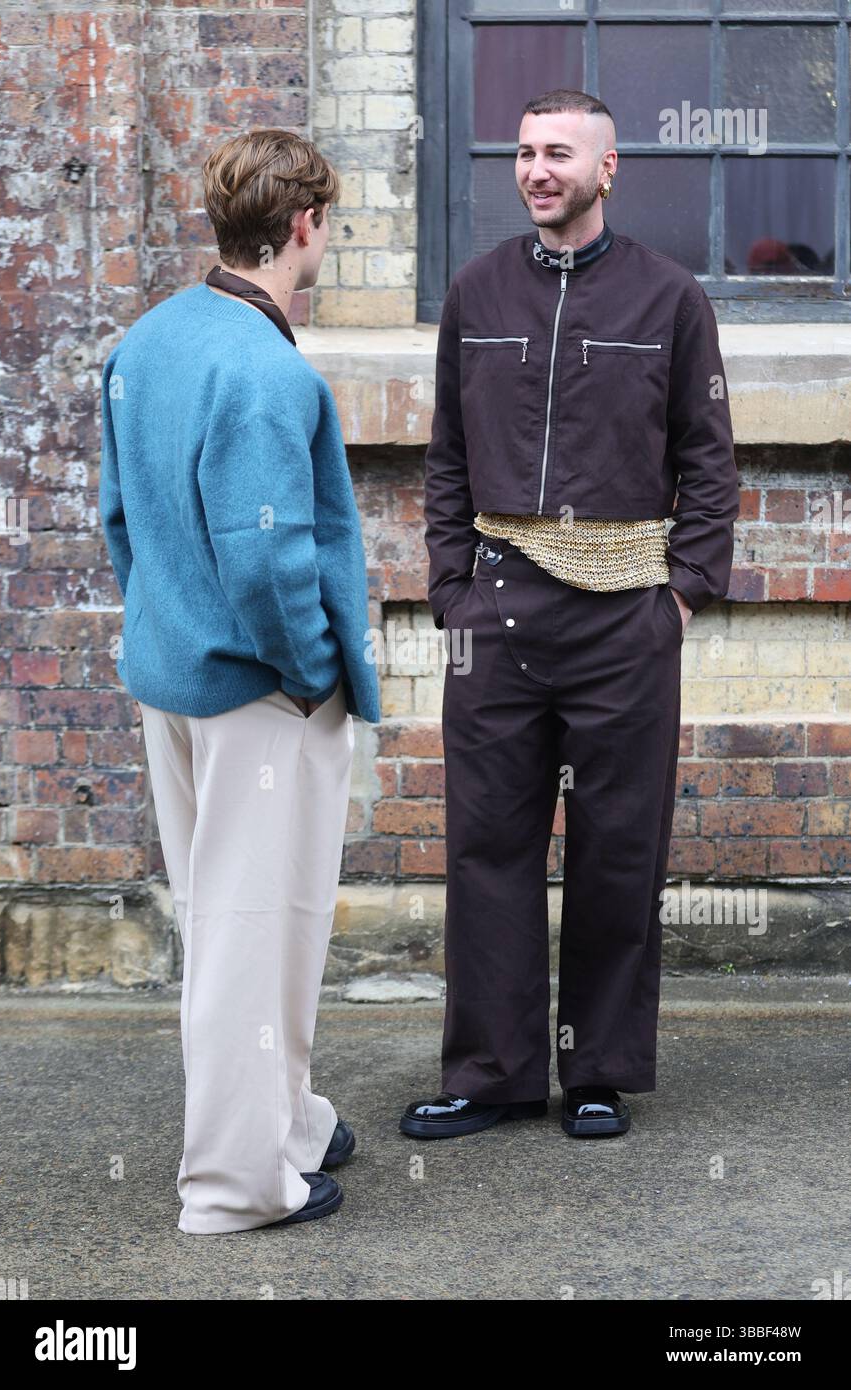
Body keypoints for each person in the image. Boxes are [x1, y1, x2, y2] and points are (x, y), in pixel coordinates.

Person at [401, 89, 739, 1142]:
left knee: (615, 847)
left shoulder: (668, 298)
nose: (535, 169)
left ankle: (594, 1069)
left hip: (624, 621)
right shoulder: (475, 289)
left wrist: (677, 597)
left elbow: (709, 461)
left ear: (606, 170)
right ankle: (493, 1072)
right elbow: (447, 455)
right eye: (523, 153)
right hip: (494, 612)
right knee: (486, 847)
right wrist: (449, 584)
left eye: (558, 153)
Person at [98, 128, 380, 1233]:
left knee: (241, 926)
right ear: (303, 224)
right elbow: (269, 562)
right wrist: (312, 673)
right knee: (250, 938)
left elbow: (123, 519)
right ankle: (231, 1188)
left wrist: (169, 623)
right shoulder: (263, 368)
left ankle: (286, 1124)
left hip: (172, 677)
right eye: (329, 225)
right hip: (260, 693)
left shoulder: (149, 339)